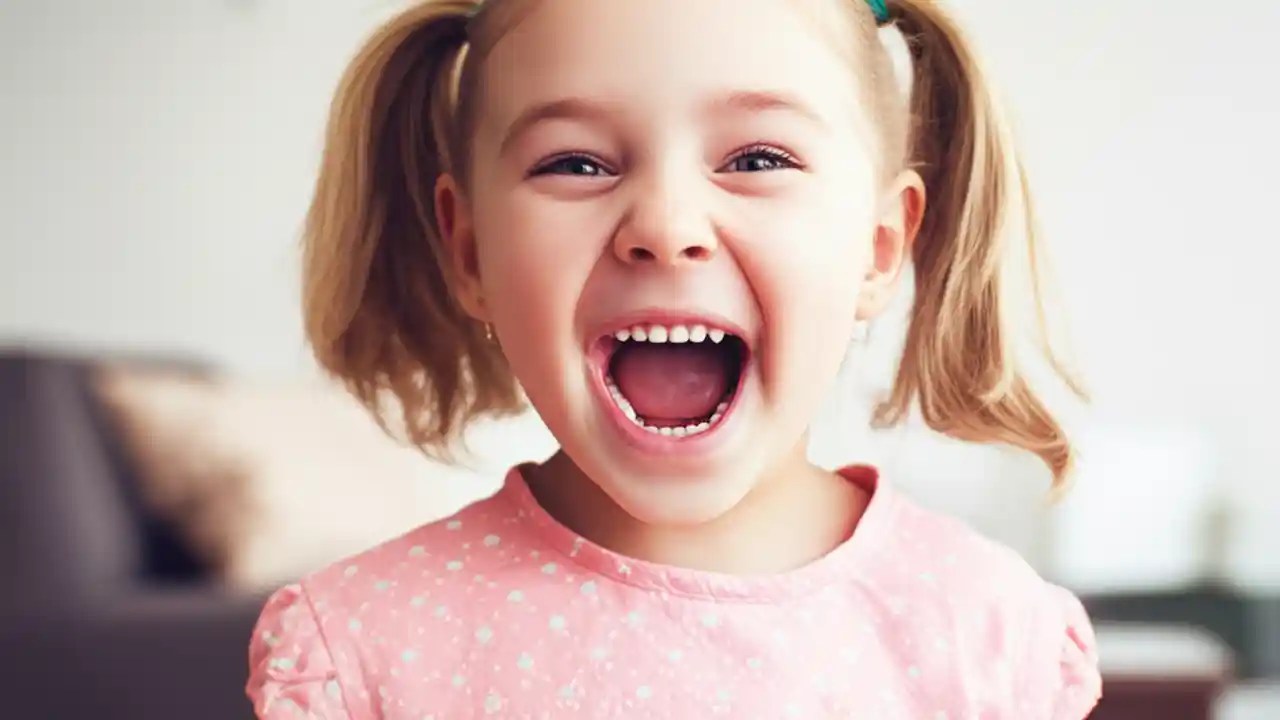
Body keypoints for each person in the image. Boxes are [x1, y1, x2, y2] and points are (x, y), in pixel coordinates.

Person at [246, 0, 1102, 716]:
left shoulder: (988, 636)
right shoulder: (365, 656)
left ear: (878, 248)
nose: (663, 225)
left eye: (757, 158)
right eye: (574, 163)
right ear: (470, 253)